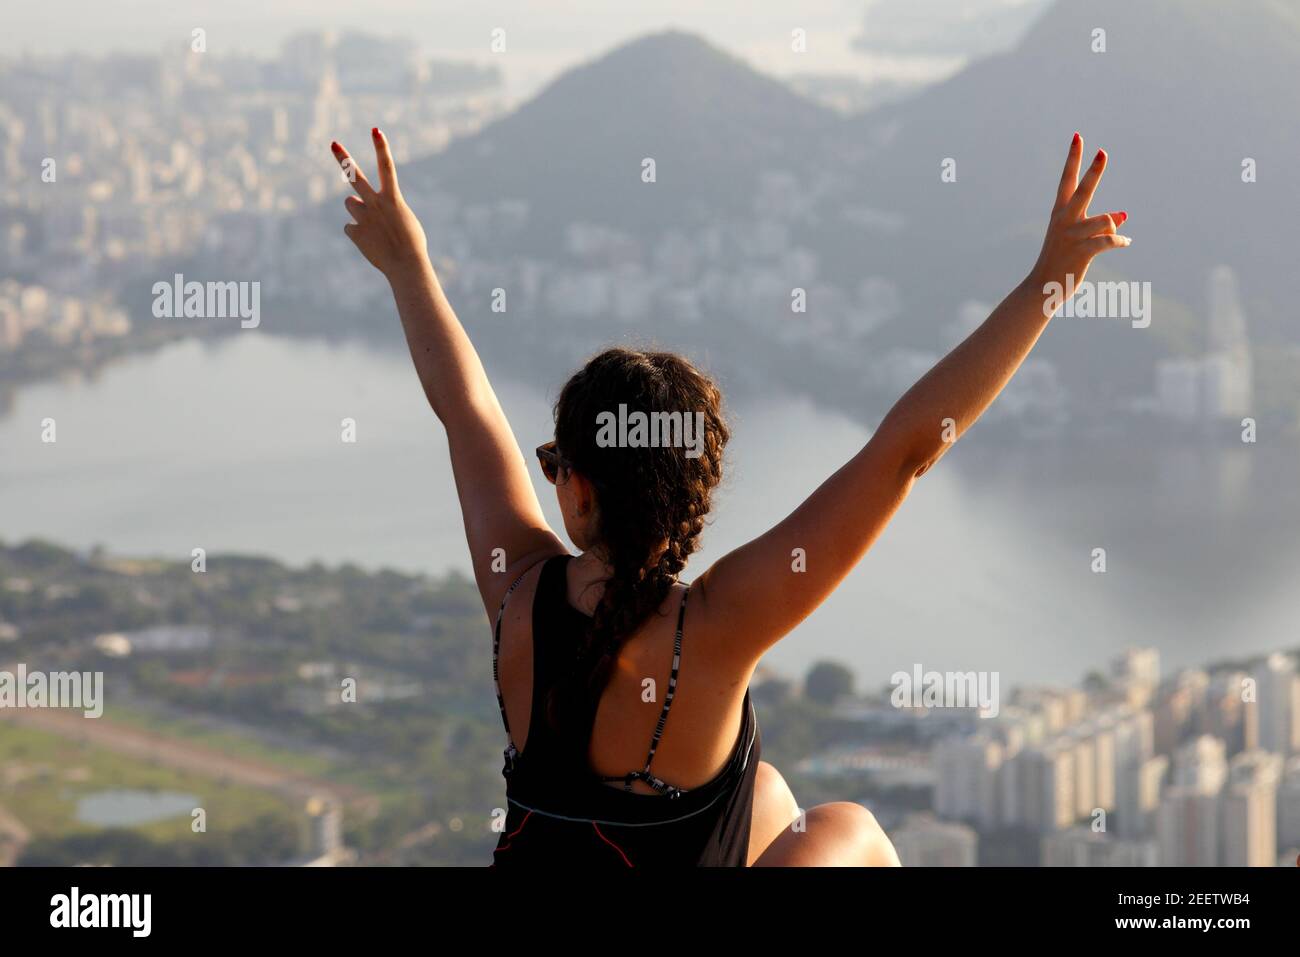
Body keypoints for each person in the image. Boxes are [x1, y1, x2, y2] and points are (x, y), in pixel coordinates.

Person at [331, 128, 1129, 866]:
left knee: (771, 792)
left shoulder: (516, 590)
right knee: (848, 827)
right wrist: (1048, 285)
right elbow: (904, 453)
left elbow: (464, 408)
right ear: (693, 501)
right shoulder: (714, 631)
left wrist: (410, 266)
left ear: (574, 485)